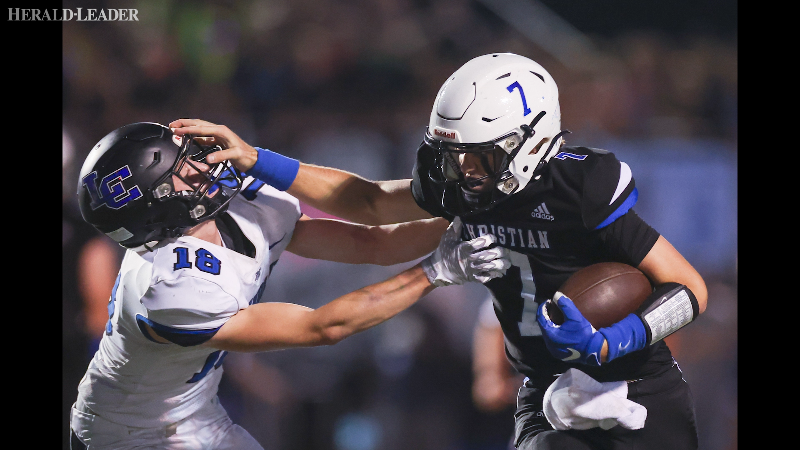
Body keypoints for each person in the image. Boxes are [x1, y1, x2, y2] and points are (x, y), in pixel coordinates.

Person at [171, 51, 708, 449]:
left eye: (480, 157)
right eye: (456, 157)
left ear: (533, 140)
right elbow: (368, 202)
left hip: (634, 386)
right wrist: (256, 159)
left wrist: (612, 342)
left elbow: (688, 287)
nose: (465, 173)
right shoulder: (463, 186)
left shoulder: (581, 188)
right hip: (545, 390)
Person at [68, 122, 511, 450]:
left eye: (188, 155)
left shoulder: (243, 202)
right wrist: (435, 272)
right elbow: (322, 328)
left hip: (194, 413)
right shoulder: (167, 286)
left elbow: (369, 239)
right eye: (183, 171)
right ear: (158, 207)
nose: (202, 166)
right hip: (127, 435)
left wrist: (466, 212)